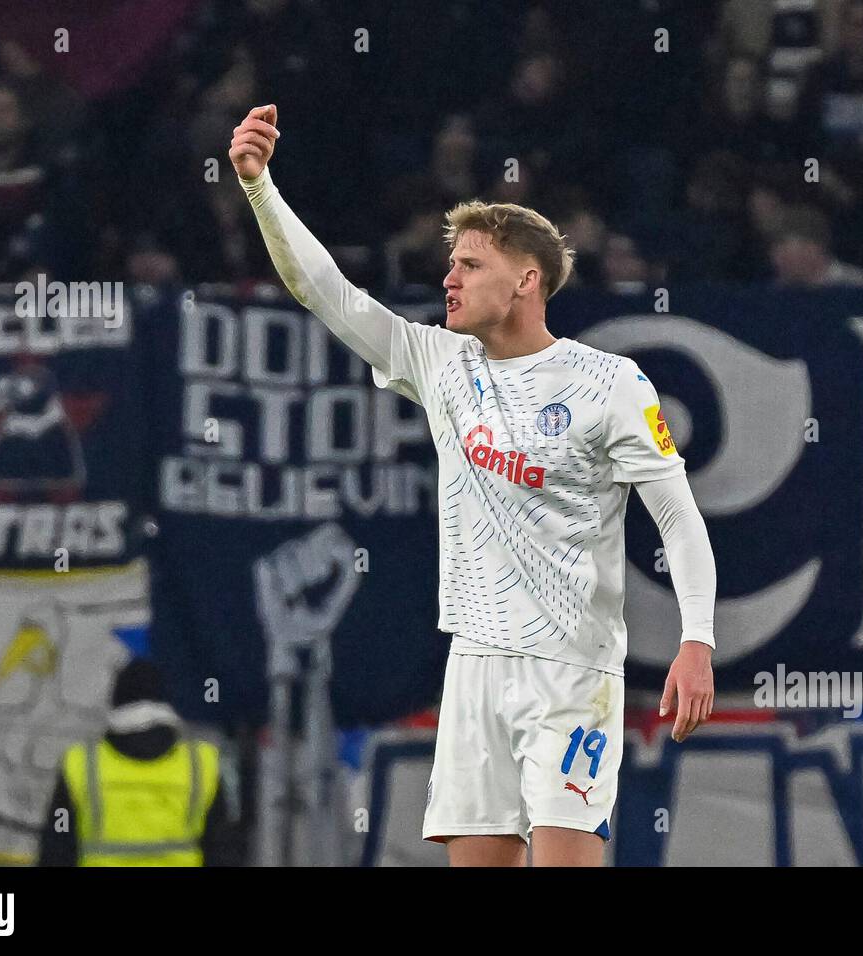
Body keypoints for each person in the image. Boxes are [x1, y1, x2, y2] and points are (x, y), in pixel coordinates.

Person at [230, 104, 717, 867]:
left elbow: (679, 520)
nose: (447, 278)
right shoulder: (441, 364)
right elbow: (323, 291)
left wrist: (696, 639)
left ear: (526, 281)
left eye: (469, 265)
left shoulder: (609, 384)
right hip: (474, 666)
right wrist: (260, 188)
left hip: (572, 672)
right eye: (450, 264)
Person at [37, 659, 240, 866]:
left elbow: (58, 842)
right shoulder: (202, 764)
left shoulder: (80, 763)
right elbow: (222, 847)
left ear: (116, 701)